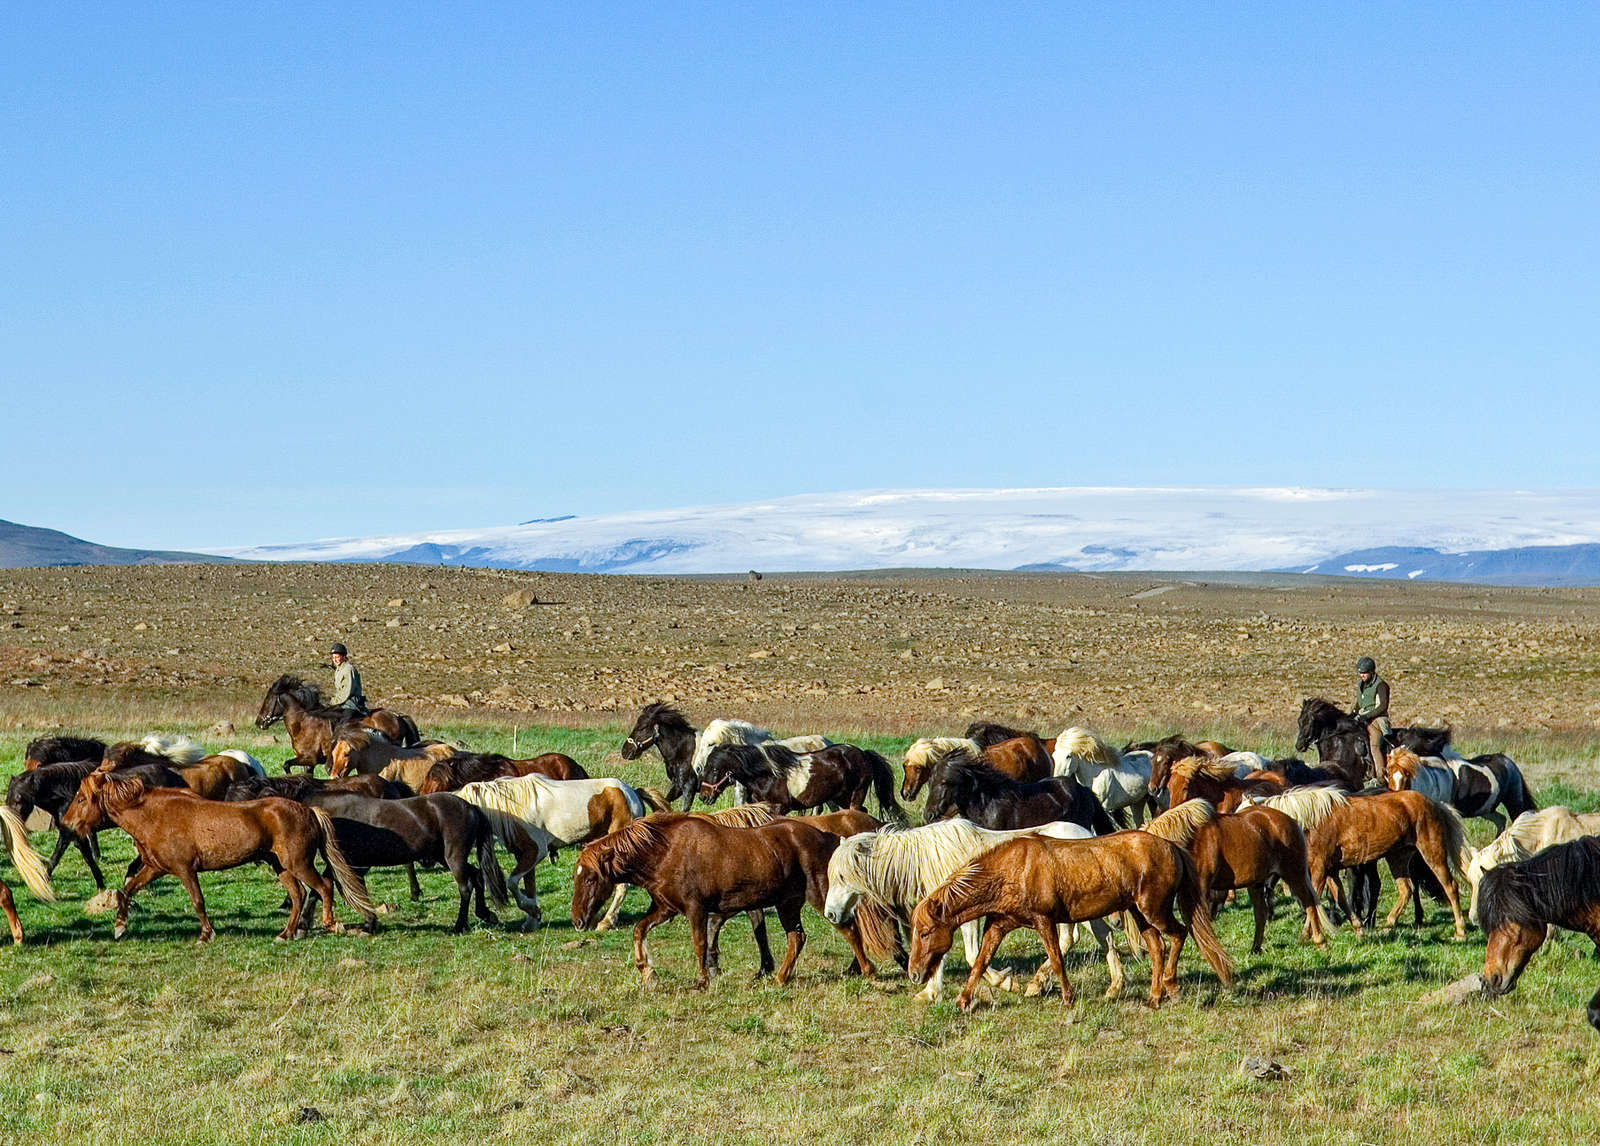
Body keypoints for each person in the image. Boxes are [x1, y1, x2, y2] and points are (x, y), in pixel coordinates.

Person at [1353, 655, 1390, 773]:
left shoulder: (1381, 685)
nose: (1362, 675)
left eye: (1365, 673)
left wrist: (1366, 716)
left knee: (1374, 746)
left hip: (1378, 718)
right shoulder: (1361, 685)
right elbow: (1359, 704)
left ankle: (1380, 775)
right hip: (1363, 718)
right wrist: (1352, 714)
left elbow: (1383, 706)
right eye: (1360, 673)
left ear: (1372, 672)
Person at [327, 642, 368, 717]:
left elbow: (347, 692)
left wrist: (333, 701)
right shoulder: (338, 670)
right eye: (333, 658)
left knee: (344, 723)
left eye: (337, 657)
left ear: (343, 656)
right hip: (342, 702)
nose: (335, 660)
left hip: (351, 703)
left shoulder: (348, 669)